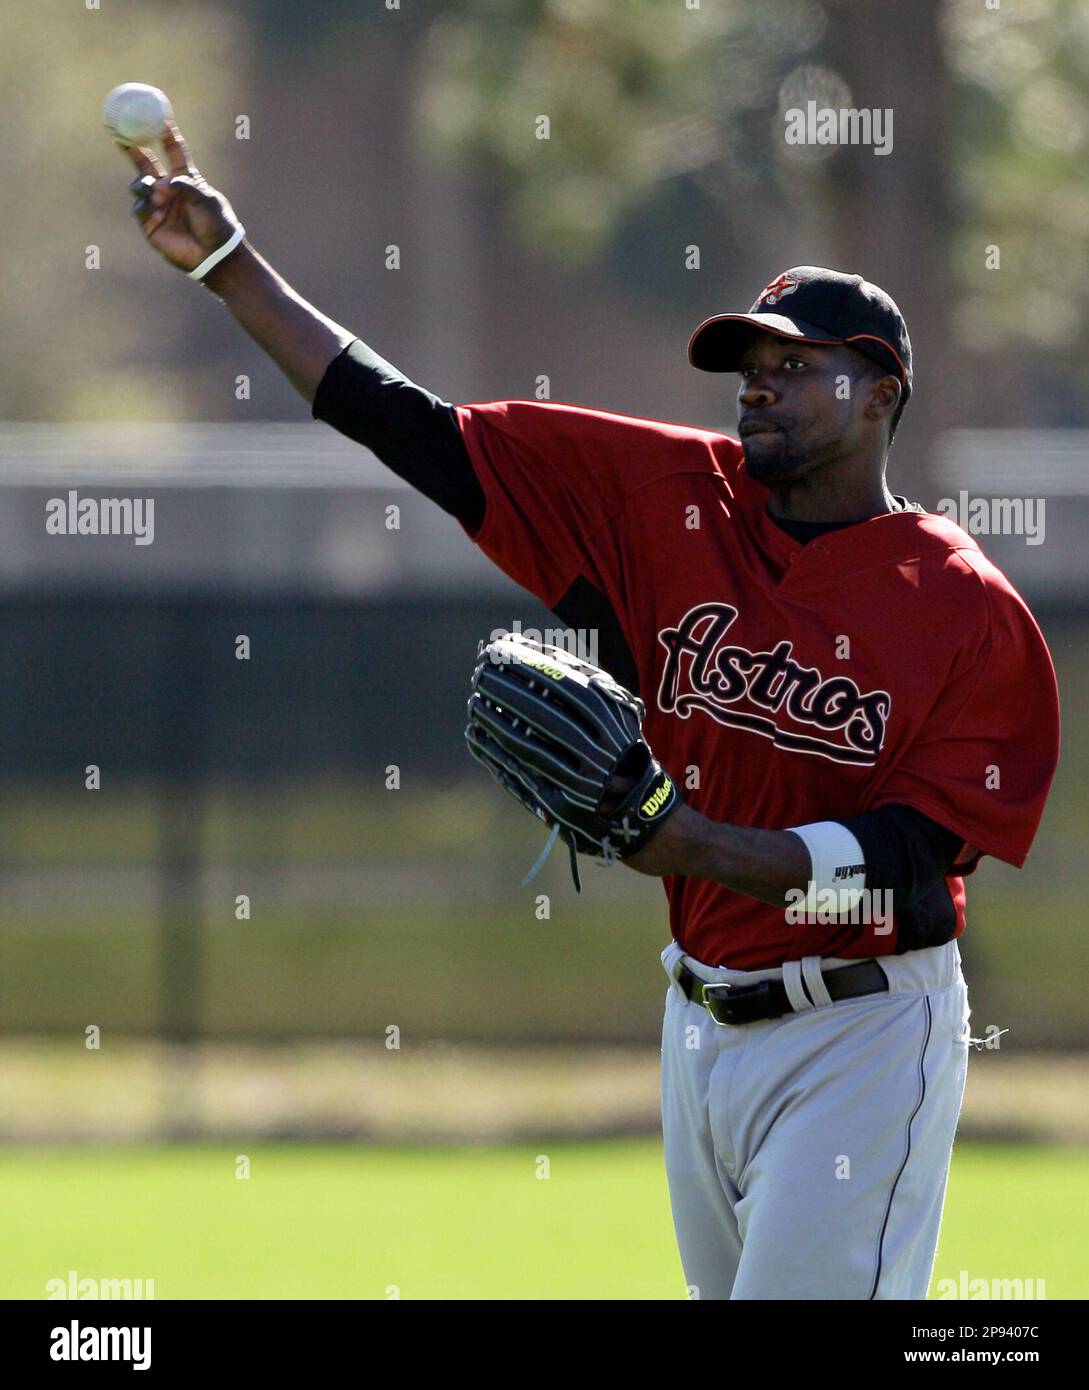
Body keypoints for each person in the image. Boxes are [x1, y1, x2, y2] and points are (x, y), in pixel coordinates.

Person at [120, 125, 1060, 1300]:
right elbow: (417, 430)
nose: (759, 381)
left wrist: (696, 846)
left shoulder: (964, 608)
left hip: (861, 1036)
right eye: (750, 361)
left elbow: (911, 872)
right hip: (698, 1021)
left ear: (881, 395)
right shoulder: (666, 503)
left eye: (796, 363)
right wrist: (231, 268)